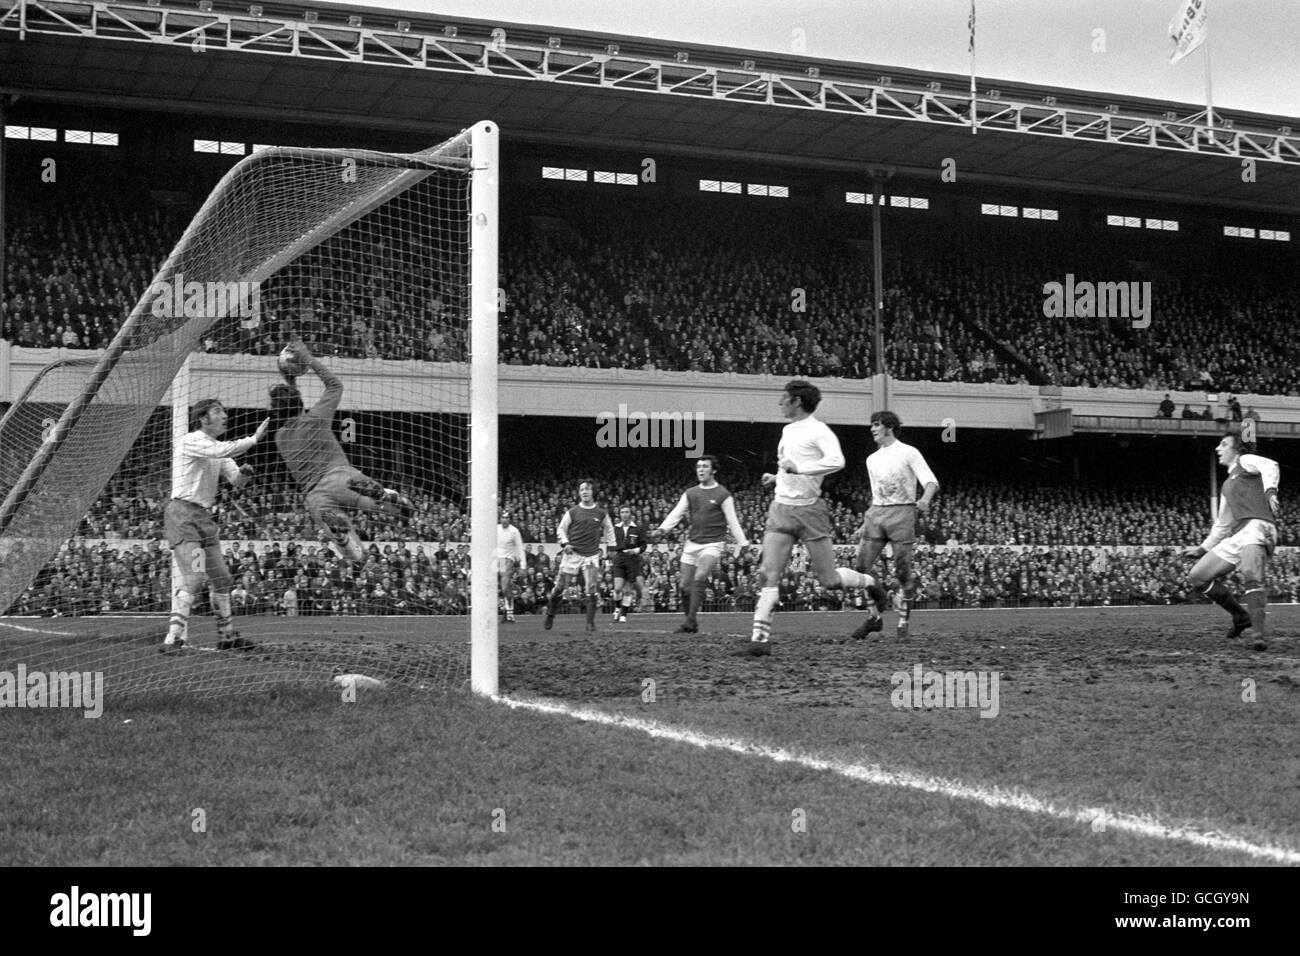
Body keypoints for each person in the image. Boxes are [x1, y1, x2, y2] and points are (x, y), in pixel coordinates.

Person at [741, 380, 885, 657]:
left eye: (784, 398)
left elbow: (837, 461)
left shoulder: (819, 430)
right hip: (781, 507)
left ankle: (870, 582)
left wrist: (800, 469)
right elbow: (790, 466)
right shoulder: (787, 430)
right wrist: (778, 477)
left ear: (796, 401)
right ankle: (760, 640)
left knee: (829, 580)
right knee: (767, 573)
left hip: (810, 511)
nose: (779, 403)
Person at [269, 340, 412, 562]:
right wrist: (307, 358)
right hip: (340, 477)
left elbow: (291, 410)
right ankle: (389, 500)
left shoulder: (279, 438)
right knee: (397, 509)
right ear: (299, 402)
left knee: (356, 555)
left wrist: (290, 380)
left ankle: (349, 546)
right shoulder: (315, 419)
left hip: (316, 496)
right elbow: (335, 385)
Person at [161, 399, 269, 652]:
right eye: (217, 411)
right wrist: (254, 439)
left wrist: (246, 474)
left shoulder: (217, 448)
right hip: (183, 516)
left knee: (222, 578)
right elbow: (221, 452)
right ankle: (173, 638)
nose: (225, 415)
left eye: (224, 411)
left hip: (203, 519)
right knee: (196, 576)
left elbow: (236, 481)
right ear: (202, 418)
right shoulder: (192, 441)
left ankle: (227, 637)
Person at [1182, 433, 1280, 648]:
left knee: (1251, 576)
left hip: (1258, 526)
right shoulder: (1227, 485)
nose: (1218, 448)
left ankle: (1258, 636)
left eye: (1223, 444)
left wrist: (1271, 491)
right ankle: (1241, 617)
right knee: (1198, 577)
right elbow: (1222, 525)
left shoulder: (1245, 462)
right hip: (1240, 533)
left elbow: (1271, 465)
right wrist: (1202, 549)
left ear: (1236, 450)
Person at [853, 410, 940, 639]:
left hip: (902, 512)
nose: (872, 429)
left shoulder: (909, 452)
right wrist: (866, 522)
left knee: (902, 571)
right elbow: (876, 495)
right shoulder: (871, 459)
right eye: (871, 425)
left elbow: (930, 481)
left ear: (889, 427)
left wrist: (924, 499)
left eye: (876, 425)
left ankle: (903, 622)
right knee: (861, 568)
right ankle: (874, 617)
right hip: (878, 513)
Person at [650, 456, 751, 634]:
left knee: (701, 574)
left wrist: (744, 545)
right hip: (692, 543)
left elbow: (733, 521)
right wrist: (662, 529)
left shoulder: (723, 494)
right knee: (683, 586)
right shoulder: (691, 492)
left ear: (713, 470)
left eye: (705, 466)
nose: (701, 470)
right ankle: (692, 622)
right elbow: (677, 512)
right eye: (698, 467)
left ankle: (690, 622)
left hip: (713, 543)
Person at [543, 479, 615, 633]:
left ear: (592, 492)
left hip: (591, 556)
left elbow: (609, 530)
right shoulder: (573, 512)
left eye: (587, 489)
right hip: (572, 554)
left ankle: (590, 623)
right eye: (582, 489)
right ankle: (550, 614)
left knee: (591, 587)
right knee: (560, 587)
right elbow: (561, 529)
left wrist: (612, 547)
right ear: (579, 493)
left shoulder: (601, 513)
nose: (585, 492)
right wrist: (565, 543)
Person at [610, 504, 647, 623]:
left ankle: (623, 615)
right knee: (617, 588)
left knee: (627, 590)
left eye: (626, 512)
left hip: (632, 559)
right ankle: (617, 607)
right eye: (622, 512)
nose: (624, 514)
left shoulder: (638, 528)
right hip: (619, 557)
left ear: (630, 514)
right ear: (619, 514)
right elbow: (610, 543)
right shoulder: (615, 528)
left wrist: (635, 551)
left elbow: (643, 545)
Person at [495, 510, 525, 622]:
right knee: (497, 588)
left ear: (510, 519)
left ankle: (509, 612)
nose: (504, 519)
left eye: (506, 517)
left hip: (507, 560)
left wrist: (523, 565)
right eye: (502, 517)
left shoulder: (514, 531)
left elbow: (520, 548)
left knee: (504, 587)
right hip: (495, 560)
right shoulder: (496, 529)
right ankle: (507, 612)